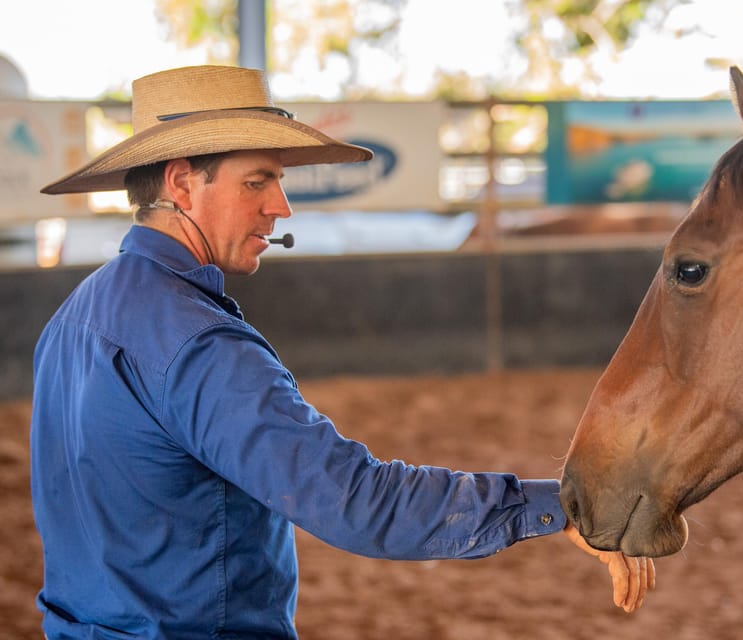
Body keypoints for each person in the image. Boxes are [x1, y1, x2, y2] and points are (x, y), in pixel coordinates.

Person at [31, 65, 655, 639]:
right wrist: (552, 508)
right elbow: (355, 501)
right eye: (259, 181)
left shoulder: (73, 319)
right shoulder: (200, 346)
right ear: (181, 184)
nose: (281, 206)